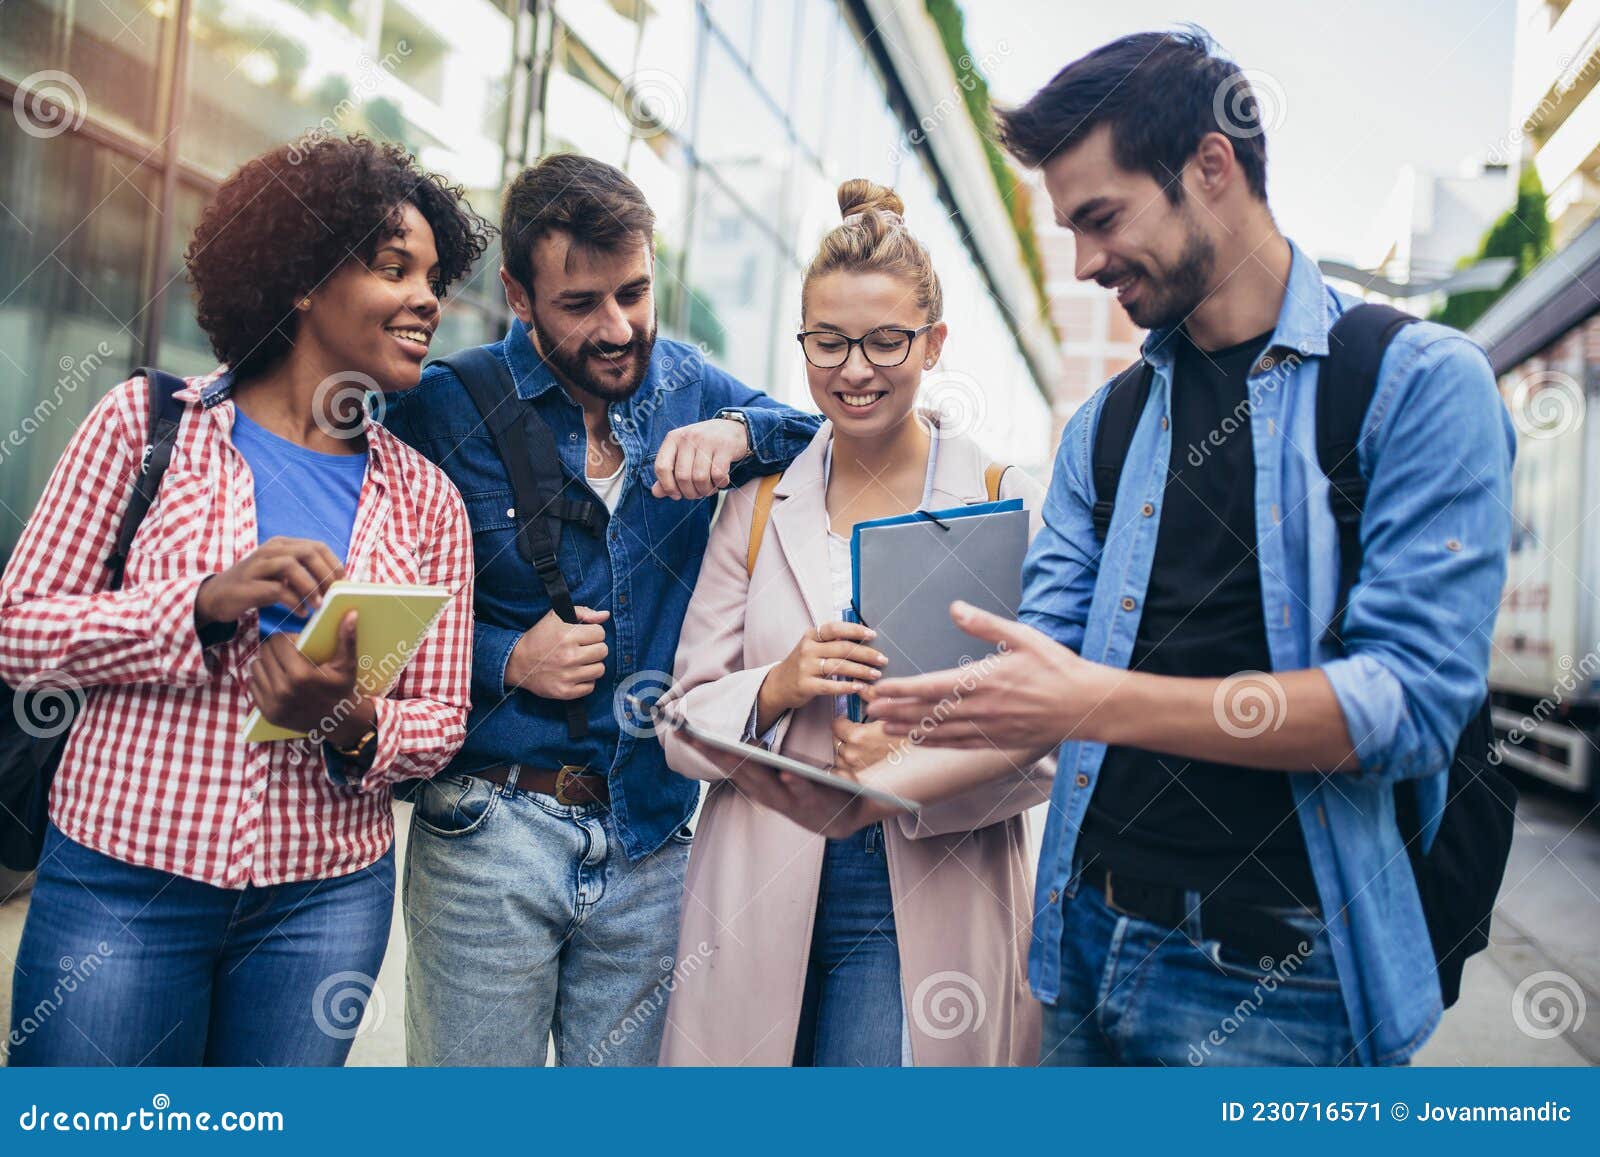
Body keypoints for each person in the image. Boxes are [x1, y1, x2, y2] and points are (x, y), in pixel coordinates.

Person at [720, 31, 1515, 1068]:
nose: (1087, 262)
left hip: (1288, 979)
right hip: (1085, 949)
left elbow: (1405, 705)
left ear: (1209, 167)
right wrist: (889, 772)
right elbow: (1034, 674)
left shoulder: (1416, 385)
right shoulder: (1109, 424)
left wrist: (1087, 699)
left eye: (1101, 218)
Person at [0, 135, 488, 1066]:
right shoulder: (147, 428)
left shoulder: (429, 500)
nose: (430, 298)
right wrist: (200, 604)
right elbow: (19, 633)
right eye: (395, 269)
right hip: (121, 881)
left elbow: (441, 716)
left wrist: (341, 716)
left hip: (320, 906)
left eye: (435, 275)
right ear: (302, 278)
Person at [385, 153, 822, 1068]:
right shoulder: (439, 408)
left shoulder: (690, 384)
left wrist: (741, 429)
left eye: (635, 291)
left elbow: (824, 432)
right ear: (516, 292)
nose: (620, 327)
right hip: (488, 831)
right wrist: (506, 656)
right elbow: (375, 626)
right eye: (582, 304)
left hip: (653, 840)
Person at [655, 180, 1053, 1067]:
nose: (855, 369)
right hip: (758, 881)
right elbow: (678, 720)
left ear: (935, 343)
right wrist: (777, 682)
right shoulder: (757, 504)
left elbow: (1055, 736)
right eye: (827, 342)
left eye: (885, 341)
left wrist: (916, 764)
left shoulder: (1002, 501)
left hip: (927, 879)